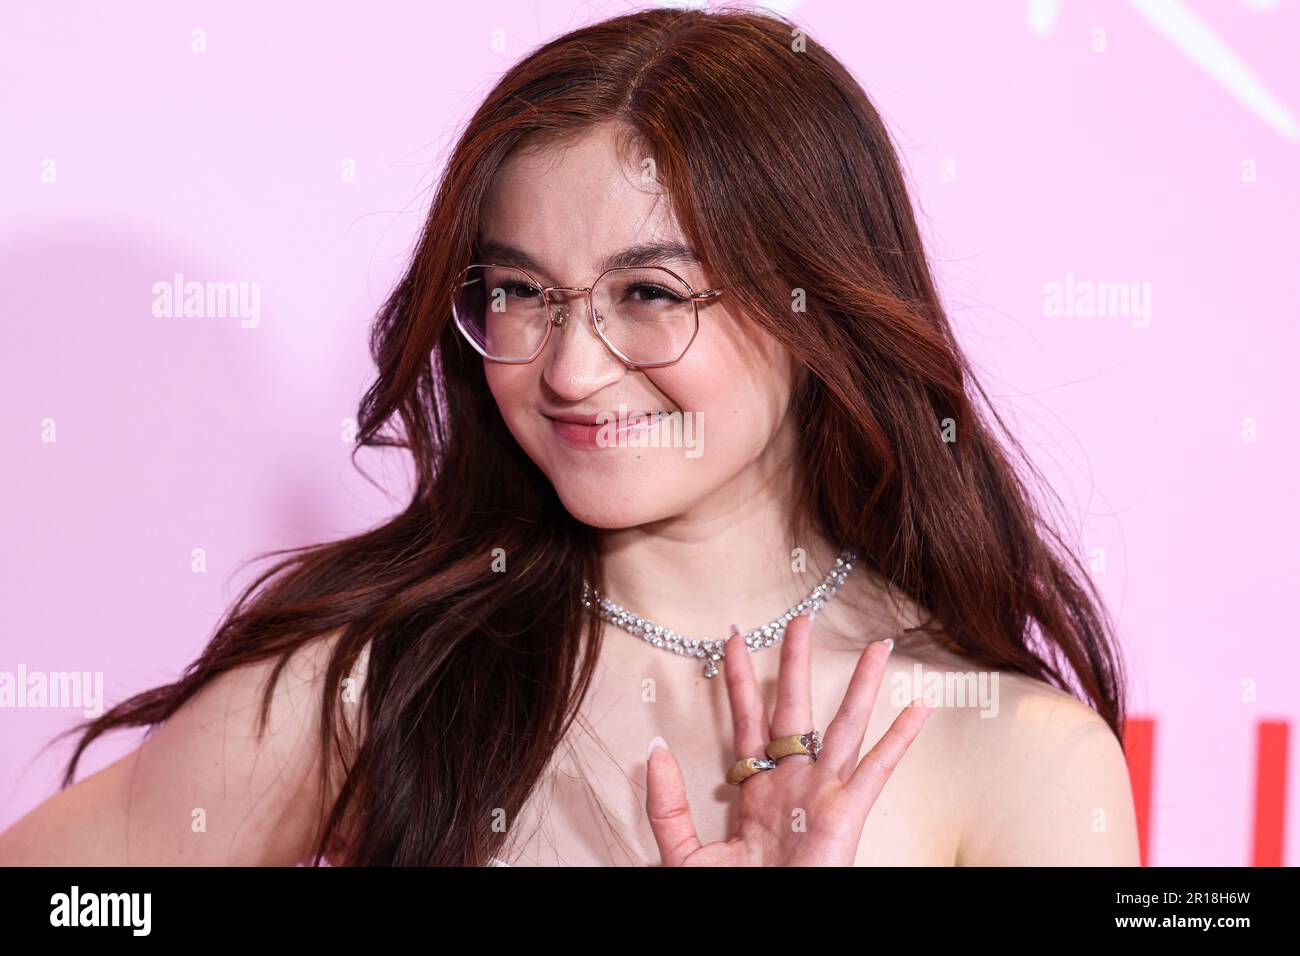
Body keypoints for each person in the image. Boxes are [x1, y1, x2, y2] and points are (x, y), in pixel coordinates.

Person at [0, 7, 1138, 867]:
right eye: (519, 291)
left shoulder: (1018, 754)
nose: (571, 368)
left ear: (817, 305)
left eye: (649, 291)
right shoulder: (396, 680)